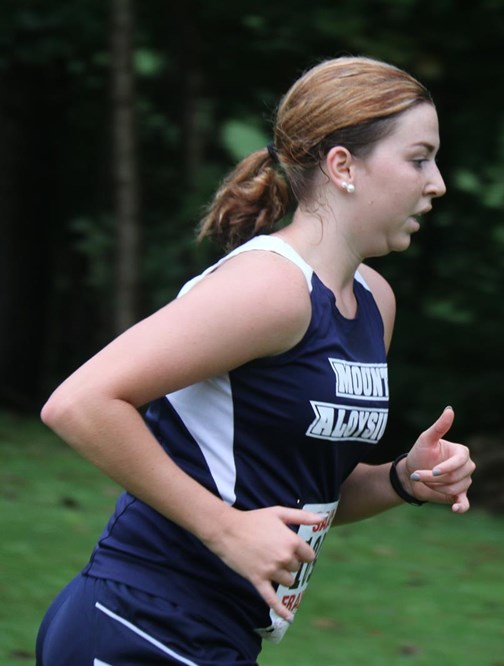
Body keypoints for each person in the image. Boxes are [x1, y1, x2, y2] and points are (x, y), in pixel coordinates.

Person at [35, 55, 475, 665]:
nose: (437, 183)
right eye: (418, 158)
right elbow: (79, 404)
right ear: (343, 166)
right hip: (140, 622)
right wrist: (223, 528)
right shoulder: (270, 289)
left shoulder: (375, 302)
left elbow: (301, 492)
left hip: (218, 636)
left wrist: (403, 479)